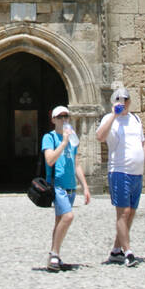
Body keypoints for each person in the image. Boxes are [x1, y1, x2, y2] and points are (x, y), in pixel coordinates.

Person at [95, 87, 145, 265]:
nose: (123, 102)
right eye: (119, 99)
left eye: (126, 99)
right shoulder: (109, 119)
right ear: (114, 102)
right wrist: (114, 115)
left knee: (131, 213)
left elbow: (143, 145)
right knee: (123, 213)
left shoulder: (135, 119)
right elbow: (99, 136)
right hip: (119, 171)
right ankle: (128, 252)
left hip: (136, 173)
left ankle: (116, 250)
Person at [41, 105, 90, 271]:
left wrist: (85, 187)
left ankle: (54, 257)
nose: (64, 120)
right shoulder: (49, 138)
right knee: (68, 217)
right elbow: (49, 160)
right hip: (58, 186)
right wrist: (63, 142)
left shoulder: (73, 140)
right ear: (53, 120)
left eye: (66, 116)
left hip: (71, 187)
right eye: (60, 117)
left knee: (59, 222)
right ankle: (54, 253)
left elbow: (76, 164)